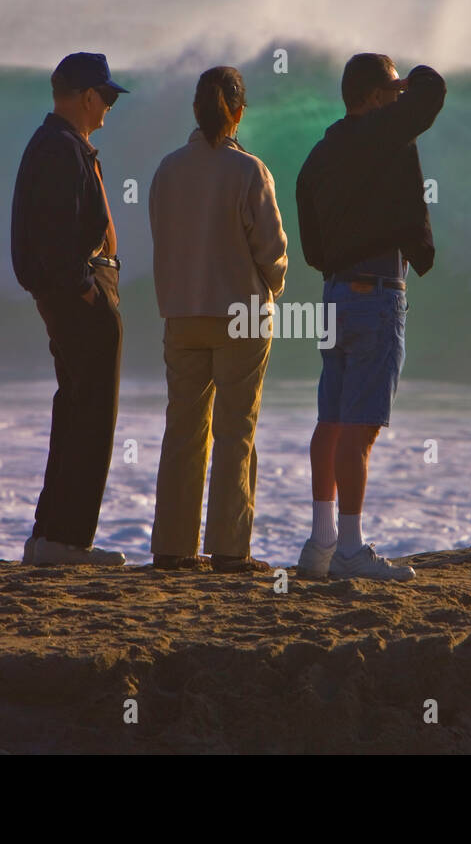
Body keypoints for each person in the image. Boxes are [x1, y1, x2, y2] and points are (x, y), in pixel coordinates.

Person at [293, 53, 447, 580]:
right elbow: (433, 92)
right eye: (391, 91)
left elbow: (311, 245)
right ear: (377, 95)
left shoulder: (318, 155)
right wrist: (408, 82)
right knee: (360, 430)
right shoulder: (381, 131)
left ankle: (321, 543)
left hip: (334, 294)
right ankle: (352, 549)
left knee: (331, 422)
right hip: (375, 295)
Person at [147, 67, 288, 573]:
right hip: (240, 315)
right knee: (235, 430)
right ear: (239, 112)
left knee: (183, 429)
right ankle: (229, 550)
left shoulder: (167, 169)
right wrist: (273, 287)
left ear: (195, 110)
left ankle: (172, 546)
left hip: (182, 313)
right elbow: (271, 251)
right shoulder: (250, 171)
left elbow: (162, 235)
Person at [10, 52, 128, 567]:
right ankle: (66, 540)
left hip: (77, 293)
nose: (109, 107)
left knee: (76, 408)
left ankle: (51, 536)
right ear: (86, 97)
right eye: (106, 97)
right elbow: (55, 238)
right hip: (81, 297)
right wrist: (85, 288)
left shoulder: (56, 144)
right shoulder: (60, 149)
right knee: (92, 415)